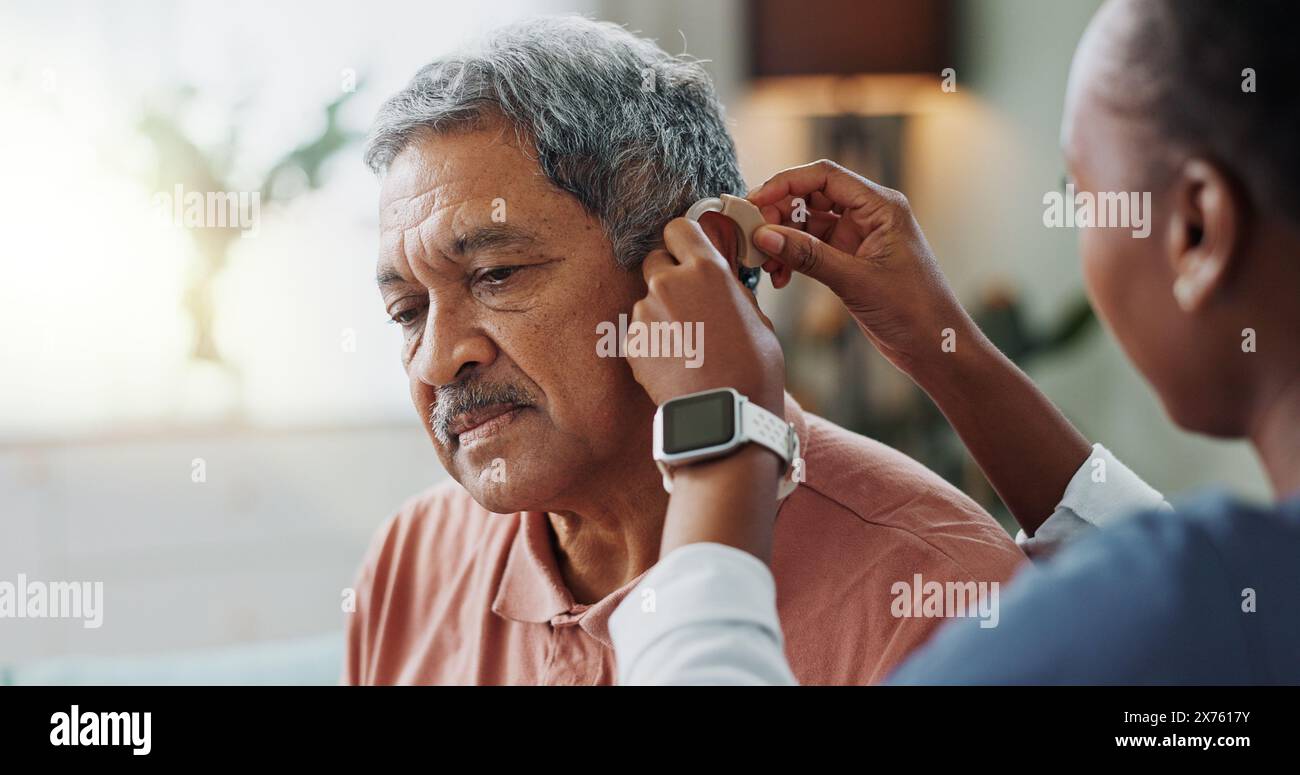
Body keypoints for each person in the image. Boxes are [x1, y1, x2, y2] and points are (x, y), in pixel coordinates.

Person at [609, 0, 1300, 685]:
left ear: (1198, 231)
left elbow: (1167, 607)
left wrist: (722, 442)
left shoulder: (1140, 611)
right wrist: (946, 347)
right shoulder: (1225, 600)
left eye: (1083, 198)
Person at [343, 16, 1023, 686]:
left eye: (497, 276)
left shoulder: (941, 595)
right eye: (408, 310)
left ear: (708, 260)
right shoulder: (412, 560)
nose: (437, 360)